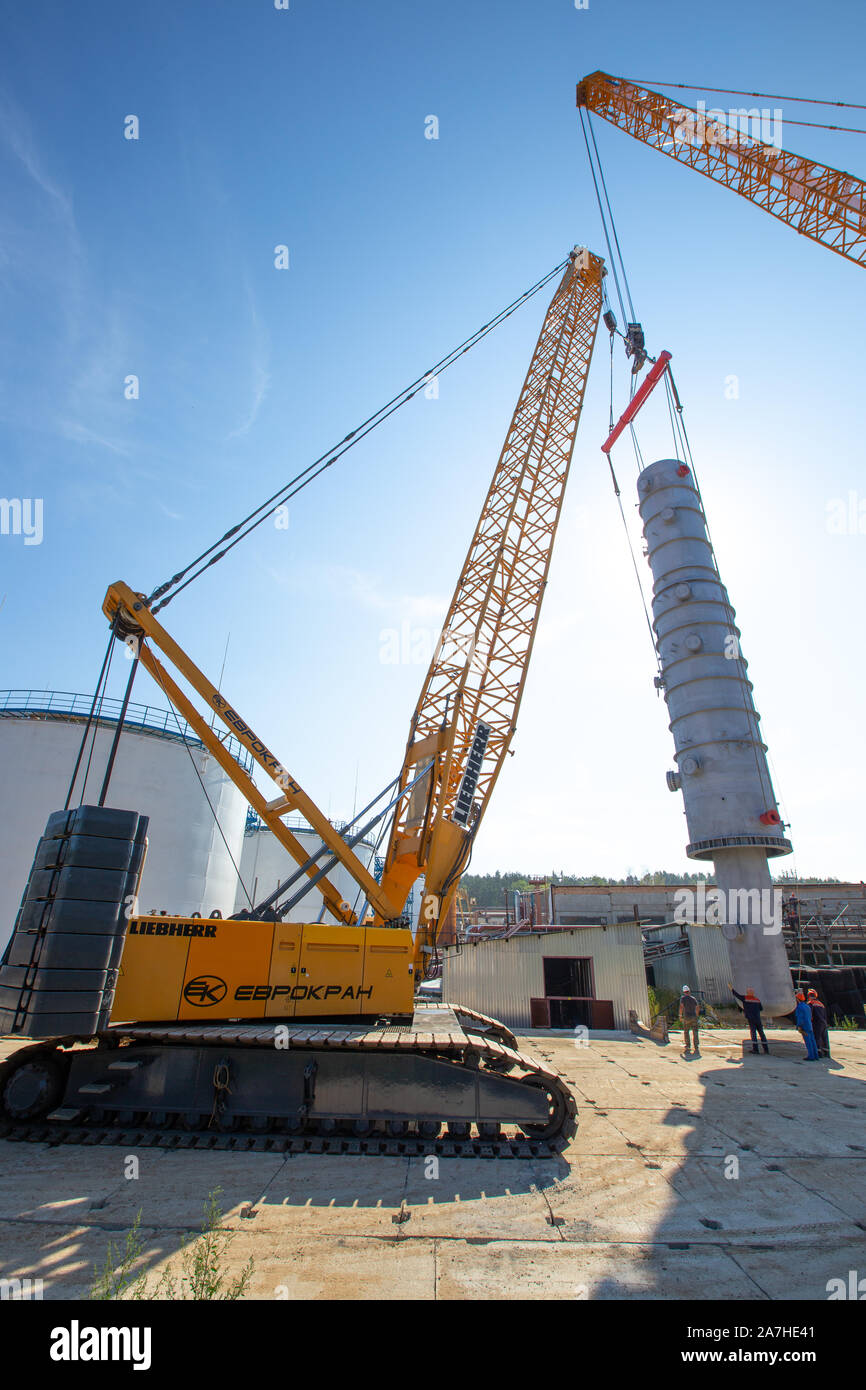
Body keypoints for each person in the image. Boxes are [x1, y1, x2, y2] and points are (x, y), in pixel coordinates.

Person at [731, 985, 770, 1055]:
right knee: (761, 1034)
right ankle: (766, 1049)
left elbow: (737, 996)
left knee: (753, 1034)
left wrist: (732, 989)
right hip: (758, 1019)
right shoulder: (757, 1000)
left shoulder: (745, 998)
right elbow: (761, 1009)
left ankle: (755, 1049)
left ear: (747, 993)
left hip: (751, 1019)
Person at [794, 990, 819, 1061]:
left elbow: (800, 1018)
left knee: (808, 1042)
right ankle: (815, 1055)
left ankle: (811, 1056)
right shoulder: (807, 1006)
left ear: (797, 999)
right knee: (812, 1040)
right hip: (810, 1025)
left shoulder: (799, 1007)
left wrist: (799, 1026)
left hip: (804, 1026)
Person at [807, 988, 831, 1059]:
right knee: (824, 1038)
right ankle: (826, 1053)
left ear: (809, 996)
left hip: (816, 1023)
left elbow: (810, 1014)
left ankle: (819, 1053)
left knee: (817, 1037)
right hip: (824, 1023)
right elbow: (825, 1015)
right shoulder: (821, 1004)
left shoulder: (811, 1003)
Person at [679, 985, 700, 1055]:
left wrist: (680, 1015)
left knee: (686, 1031)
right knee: (695, 1031)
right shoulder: (693, 998)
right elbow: (697, 1007)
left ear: (684, 992)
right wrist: (696, 1015)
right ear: (689, 991)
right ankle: (696, 1046)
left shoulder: (683, 999)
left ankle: (688, 1045)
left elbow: (681, 1007)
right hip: (694, 1016)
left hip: (687, 1017)